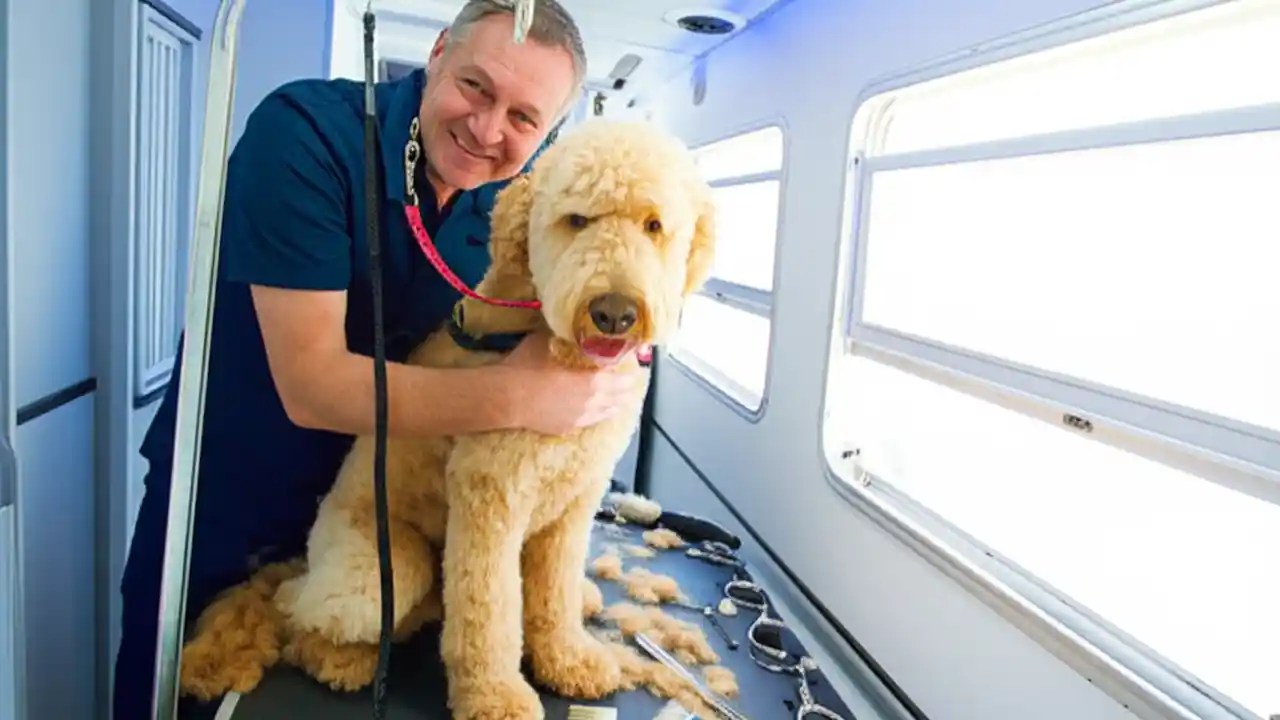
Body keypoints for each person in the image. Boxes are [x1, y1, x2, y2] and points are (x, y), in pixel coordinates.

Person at [113, 1, 645, 717]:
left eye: (524, 118)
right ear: (438, 53)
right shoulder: (303, 136)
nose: (488, 129)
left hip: (398, 522)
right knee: (175, 694)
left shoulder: (524, 201)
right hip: (233, 508)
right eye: (476, 87)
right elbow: (313, 386)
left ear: (551, 130)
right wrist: (522, 397)